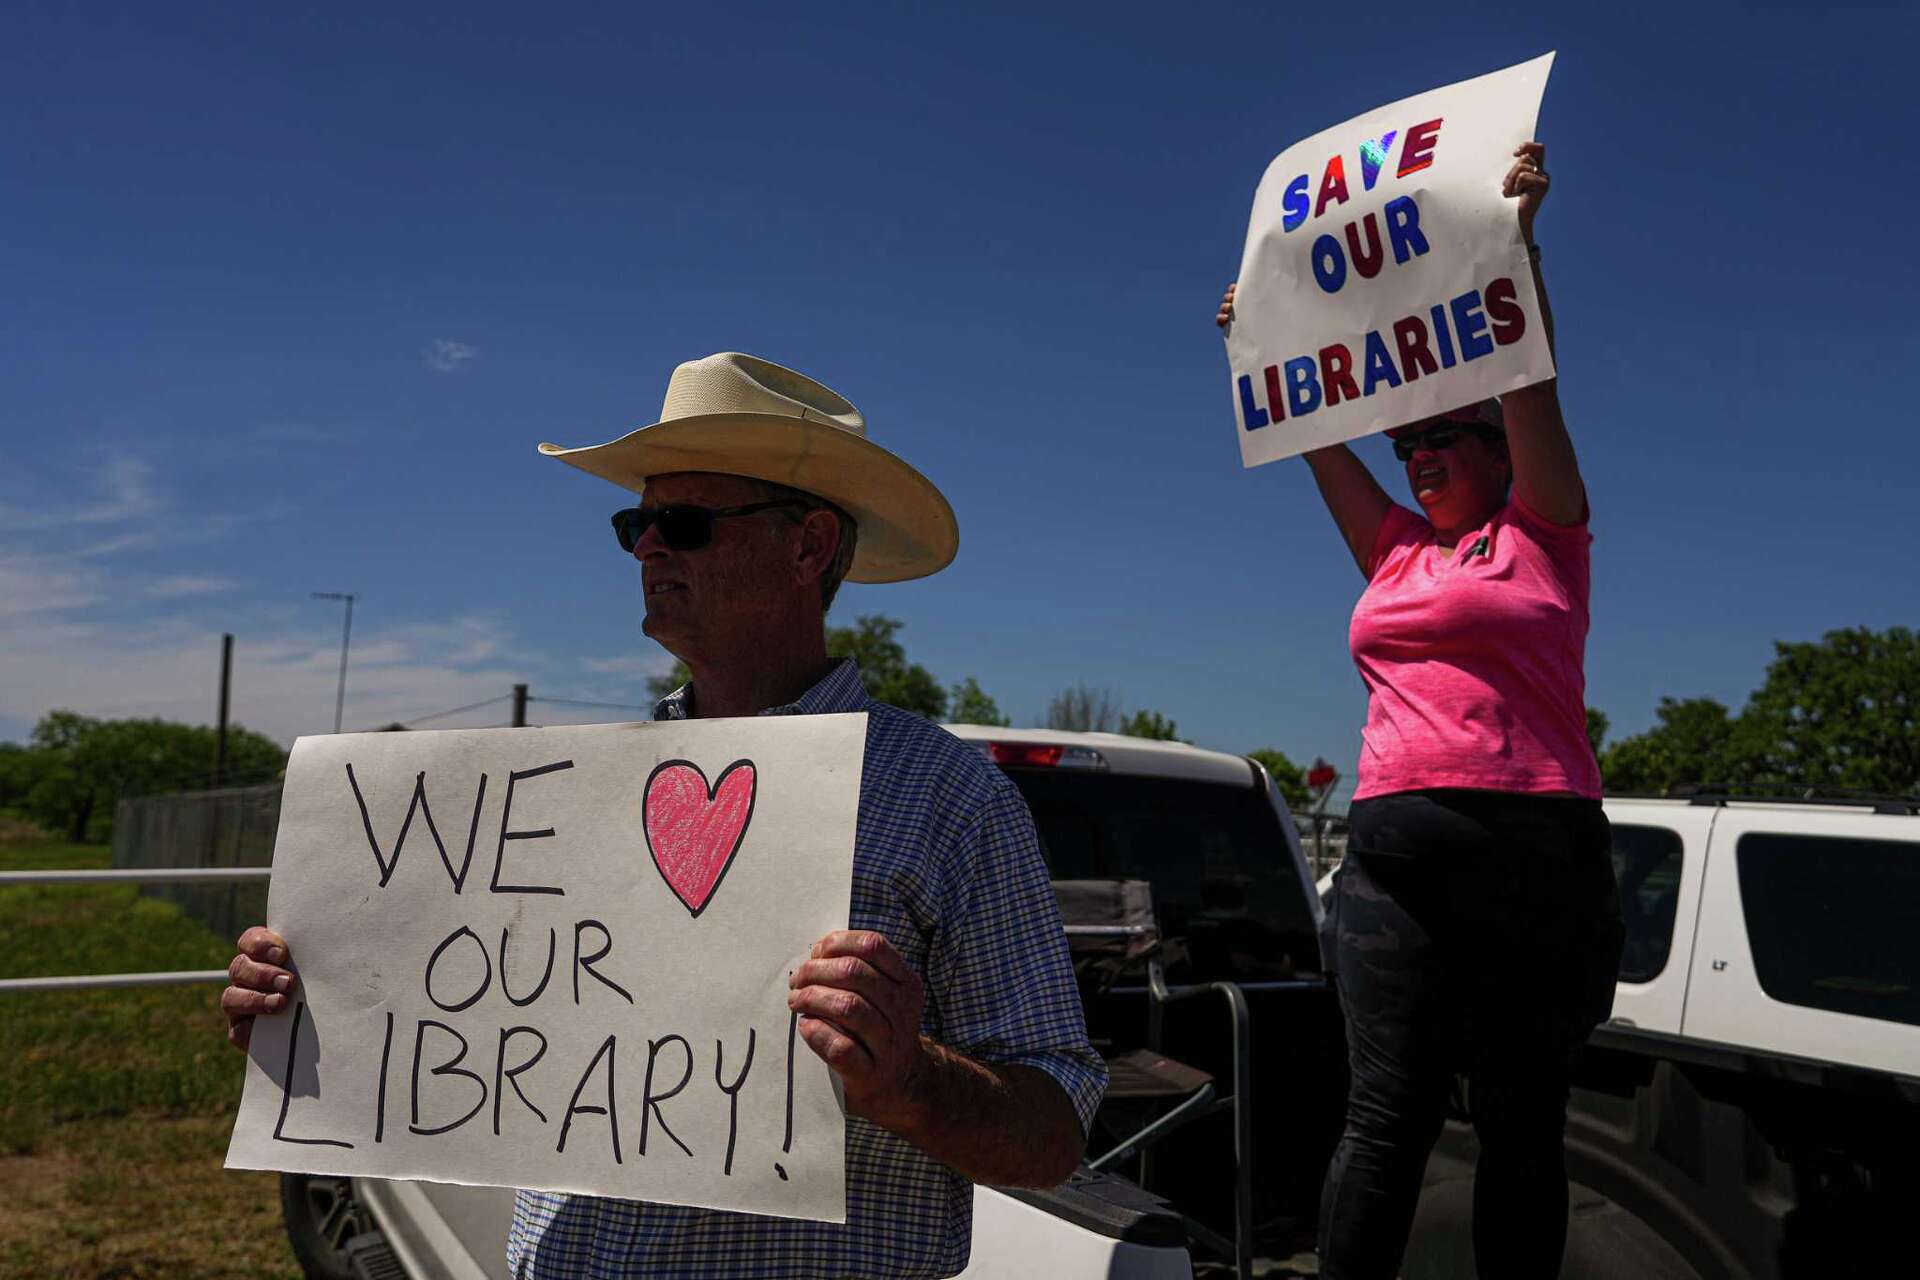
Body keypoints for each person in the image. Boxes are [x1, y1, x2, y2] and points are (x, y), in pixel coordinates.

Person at [222, 351, 1106, 1280]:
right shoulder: (566, 793)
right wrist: (316, 1012)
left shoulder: (947, 798)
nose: (649, 547)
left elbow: (1052, 1136)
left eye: (682, 523)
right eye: (635, 524)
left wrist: (908, 1081)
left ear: (807, 546)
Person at [1218, 143, 1623, 1279]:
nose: (1417, 454)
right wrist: (1254, 338)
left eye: (1443, 437)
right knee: (1383, 1120)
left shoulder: (1548, 532)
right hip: (1394, 869)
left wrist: (1517, 239)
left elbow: (1532, 377)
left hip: (1533, 861)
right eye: (1408, 443)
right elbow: (1308, 432)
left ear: (1501, 451)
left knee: (1519, 1124)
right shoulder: (1394, 550)